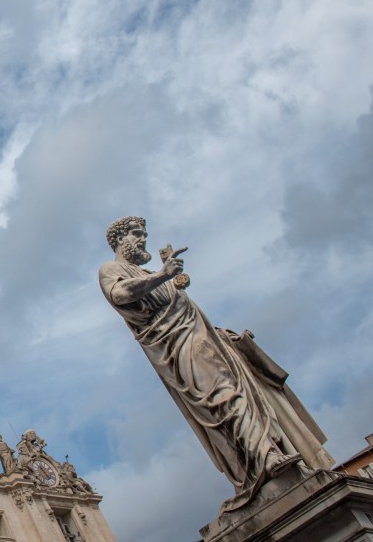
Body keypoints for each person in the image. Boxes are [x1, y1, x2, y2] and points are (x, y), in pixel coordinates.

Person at [99, 216, 333, 512]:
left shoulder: (145, 272)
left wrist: (226, 338)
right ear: (119, 240)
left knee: (243, 395)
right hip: (176, 346)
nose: (143, 239)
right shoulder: (111, 270)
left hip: (203, 340)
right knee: (222, 396)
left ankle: (265, 456)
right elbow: (120, 295)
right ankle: (265, 458)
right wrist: (162, 275)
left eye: (144, 234)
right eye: (136, 234)